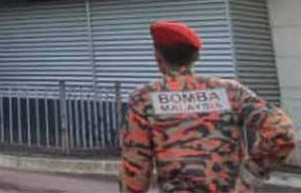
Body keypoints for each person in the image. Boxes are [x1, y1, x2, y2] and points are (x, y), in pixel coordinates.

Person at [119, 20, 296, 192]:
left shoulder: (145, 98)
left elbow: (135, 167)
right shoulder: (230, 91)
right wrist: (252, 171)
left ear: (158, 57)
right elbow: (281, 131)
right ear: (196, 56)